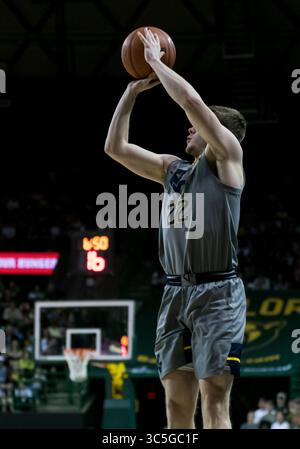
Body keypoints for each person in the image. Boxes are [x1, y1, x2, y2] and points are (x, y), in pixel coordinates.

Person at [105, 27, 247, 429]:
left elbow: (190, 101)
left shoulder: (227, 158)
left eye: (199, 125)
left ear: (218, 132)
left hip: (217, 292)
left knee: (214, 397)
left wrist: (154, 61)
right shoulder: (172, 169)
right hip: (173, 291)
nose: (188, 128)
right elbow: (115, 148)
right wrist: (128, 96)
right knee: (176, 404)